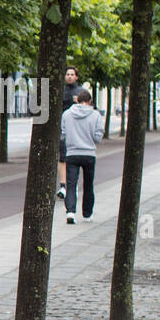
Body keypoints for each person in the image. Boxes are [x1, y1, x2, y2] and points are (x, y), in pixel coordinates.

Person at [61, 87, 103, 224]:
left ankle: (71, 212)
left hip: (72, 153)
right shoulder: (96, 115)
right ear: (90, 101)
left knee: (71, 184)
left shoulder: (67, 114)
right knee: (88, 185)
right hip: (89, 154)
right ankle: (87, 213)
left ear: (77, 100)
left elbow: (63, 133)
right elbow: (98, 137)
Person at [58, 66, 81, 200]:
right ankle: (63, 185)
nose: (70, 76)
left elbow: (90, 107)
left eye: (72, 74)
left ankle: (73, 184)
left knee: (74, 157)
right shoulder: (61, 91)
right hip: (63, 129)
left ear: (76, 77)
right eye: (67, 74)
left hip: (76, 130)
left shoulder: (81, 91)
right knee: (62, 157)